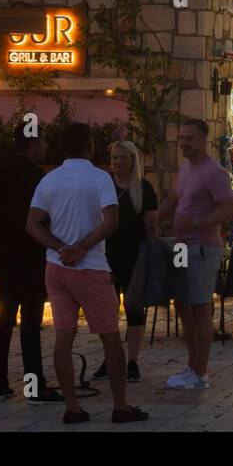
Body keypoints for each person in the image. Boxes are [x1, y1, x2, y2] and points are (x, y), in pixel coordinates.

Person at [25, 123, 147, 424]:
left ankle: (72, 407)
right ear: (90, 145)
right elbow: (111, 221)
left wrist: (61, 247)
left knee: (63, 338)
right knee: (110, 338)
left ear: (62, 147)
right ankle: (120, 405)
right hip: (90, 267)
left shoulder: (49, 179)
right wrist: (81, 247)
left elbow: (32, 224)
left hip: (56, 267)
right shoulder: (100, 179)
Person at [159, 119, 233, 388]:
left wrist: (199, 222)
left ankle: (199, 372)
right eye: (181, 138)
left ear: (203, 140)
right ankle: (193, 366)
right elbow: (173, 201)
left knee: (201, 307)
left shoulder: (215, 173)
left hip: (202, 248)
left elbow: (228, 209)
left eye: (189, 138)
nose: (183, 143)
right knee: (182, 304)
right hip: (181, 246)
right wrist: (155, 216)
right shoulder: (185, 169)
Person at [0, 129, 60, 402]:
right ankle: (34, 386)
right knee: (30, 321)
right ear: (33, 143)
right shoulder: (37, 176)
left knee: (4, 317)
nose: (45, 147)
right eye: (43, 142)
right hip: (32, 255)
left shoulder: (0, 171)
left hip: (8, 254)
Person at [91, 140, 158, 384]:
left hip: (135, 256)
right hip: (105, 256)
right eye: (115, 158)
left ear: (132, 161)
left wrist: (153, 253)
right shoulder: (103, 185)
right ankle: (111, 357)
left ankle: (132, 361)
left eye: (122, 158)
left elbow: (151, 224)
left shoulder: (143, 188)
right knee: (107, 308)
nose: (118, 162)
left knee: (133, 308)